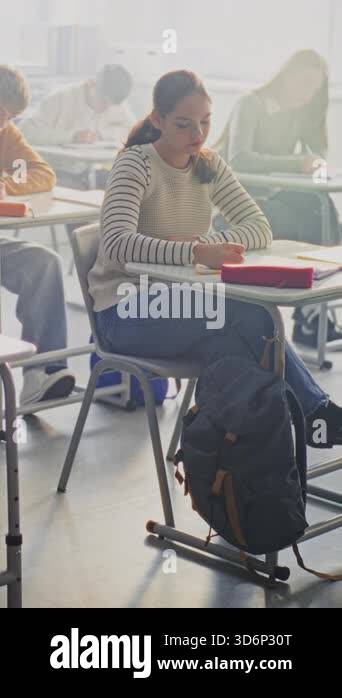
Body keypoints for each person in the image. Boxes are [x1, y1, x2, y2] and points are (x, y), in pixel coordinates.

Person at [88, 69, 342, 449]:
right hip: (124, 310)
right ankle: (316, 415)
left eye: (206, 122)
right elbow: (118, 245)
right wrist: (194, 252)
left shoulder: (209, 165)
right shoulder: (135, 165)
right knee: (253, 317)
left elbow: (259, 227)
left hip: (183, 305)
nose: (198, 135)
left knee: (242, 352)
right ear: (157, 120)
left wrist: (209, 242)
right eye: (184, 125)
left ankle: (247, 476)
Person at [214, 50, 342, 349]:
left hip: (272, 197)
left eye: (314, 89)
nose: (308, 94)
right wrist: (296, 163)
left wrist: (314, 162)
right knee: (316, 210)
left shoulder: (301, 112)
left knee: (318, 204)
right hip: (237, 199)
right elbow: (240, 160)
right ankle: (311, 317)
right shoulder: (252, 103)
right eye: (304, 85)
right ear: (286, 78)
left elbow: (315, 154)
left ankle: (313, 314)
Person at [0, 64, 75, 405]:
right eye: (2, 113)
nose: (6, 124)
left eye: (11, 117)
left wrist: (6, 184)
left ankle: (40, 374)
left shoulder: (5, 133)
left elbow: (43, 174)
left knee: (43, 262)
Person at [20, 64, 136, 147]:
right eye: (104, 101)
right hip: (60, 169)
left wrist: (102, 134)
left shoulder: (115, 100)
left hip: (94, 168)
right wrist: (72, 137)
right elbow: (25, 132)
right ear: (91, 84)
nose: (106, 109)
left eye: (111, 105)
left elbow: (137, 132)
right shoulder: (60, 98)